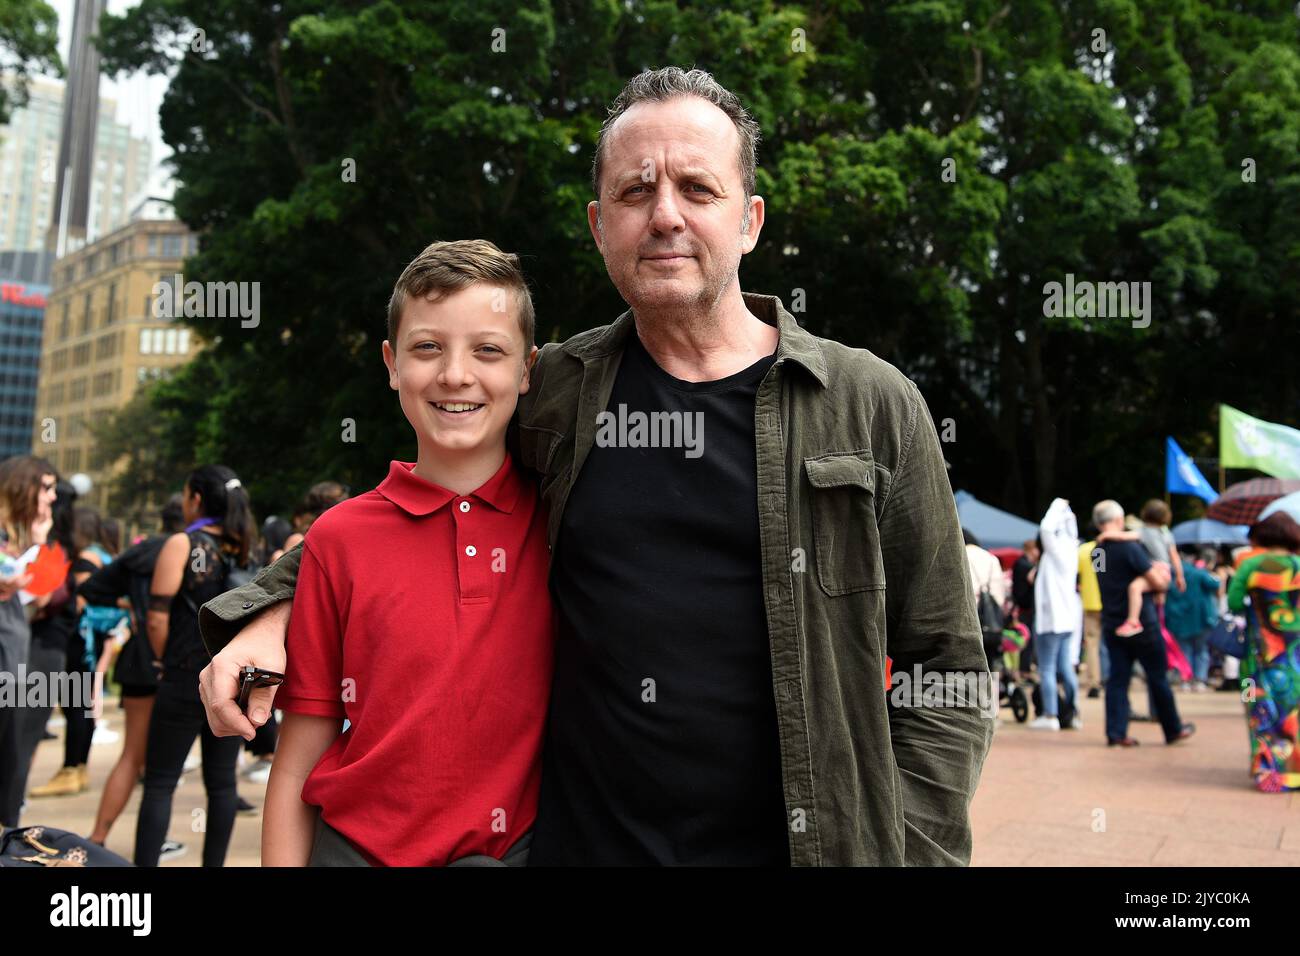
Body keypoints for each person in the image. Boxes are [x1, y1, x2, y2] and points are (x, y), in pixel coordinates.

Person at [199, 67, 993, 866]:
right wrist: (272, 608)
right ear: (598, 224)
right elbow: (423, 501)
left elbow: (947, 671)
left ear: (750, 220)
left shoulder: (871, 404)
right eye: (635, 192)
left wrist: (912, 850)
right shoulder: (556, 397)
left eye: (697, 188)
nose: (665, 216)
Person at [260, 240, 551, 867]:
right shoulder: (338, 538)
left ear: (528, 369)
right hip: (353, 851)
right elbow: (294, 767)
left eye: (488, 350)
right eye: (427, 347)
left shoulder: (568, 521)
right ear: (392, 363)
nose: (454, 374)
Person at [133, 465, 257, 867]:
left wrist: (158, 659)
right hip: (234, 679)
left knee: (160, 782)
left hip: (185, 675)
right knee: (222, 785)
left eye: (186, 495)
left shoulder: (183, 544)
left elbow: (156, 615)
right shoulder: (246, 549)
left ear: (197, 500)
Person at [77, 495, 186, 852]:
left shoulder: (140, 553)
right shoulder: (195, 551)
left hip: (138, 659)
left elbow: (90, 588)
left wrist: (132, 604)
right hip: (177, 662)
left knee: (131, 756)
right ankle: (152, 843)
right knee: (164, 771)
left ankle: (98, 837)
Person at [1092, 499, 1194, 747]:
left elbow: (1102, 579)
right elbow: (1157, 581)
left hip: (1112, 621)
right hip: (1143, 624)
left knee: (1117, 679)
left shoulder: (1098, 551)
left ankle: (1115, 733)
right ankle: (1172, 728)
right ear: (1118, 520)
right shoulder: (1131, 549)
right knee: (1157, 676)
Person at [0, 456, 57, 826]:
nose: (52, 498)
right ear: (24, 486)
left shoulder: (19, 539)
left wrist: (38, 545)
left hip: (11, 660)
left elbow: (40, 600)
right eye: (46, 488)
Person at [1227, 512, 1300, 792]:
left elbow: (1233, 602)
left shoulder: (1251, 564)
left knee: (1259, 708)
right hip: (1296, 652)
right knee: (1294, 709)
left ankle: (1268, 771)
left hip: (1260, 654)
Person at [1030, 498, 1081, 731]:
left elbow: (1046, 528)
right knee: (1066, 667)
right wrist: (1067, 514)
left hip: (1052, 620)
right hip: (1068, 619)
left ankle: (1051, 715)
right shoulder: (1072, 547)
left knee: (1047, 669)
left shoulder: (1057, 549)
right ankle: (1073, 713)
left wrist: (1057, 506)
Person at [1106, 499, 1184, 638]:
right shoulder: (1166, 534)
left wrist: (1104, 536)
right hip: (1165, 571)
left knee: (1135, 588)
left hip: (1103, 605)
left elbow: (1122, 537)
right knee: (1156, 599)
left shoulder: (1095, 549)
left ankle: (1133, 621)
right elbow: (1175, 557)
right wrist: (1179, 576)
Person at [1163, 548, 1221, 691]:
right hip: (1201, 619)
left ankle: (1185, 679)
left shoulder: (1169, 574)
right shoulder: (1199, 573)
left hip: (1178, 620)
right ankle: (1200, 680)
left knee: (1184, 651)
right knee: (1202, 650)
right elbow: (1215, 585)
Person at [1078, 533, 1104, 698]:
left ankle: (1094, 681)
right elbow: (1101, 574)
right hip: (1107, 601)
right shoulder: (1103, 549)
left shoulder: (1082, 550)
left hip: (1089, 603)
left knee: (1092, 645)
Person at [1011, 537, 1040, 677]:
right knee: (1026, 640)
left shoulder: (1021, 563)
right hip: (1025, 608)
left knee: (1026, 640)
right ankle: (1024, 670)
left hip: (1024, 607)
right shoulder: (1025, 565)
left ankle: (1024, 668)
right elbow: (1032, 578)